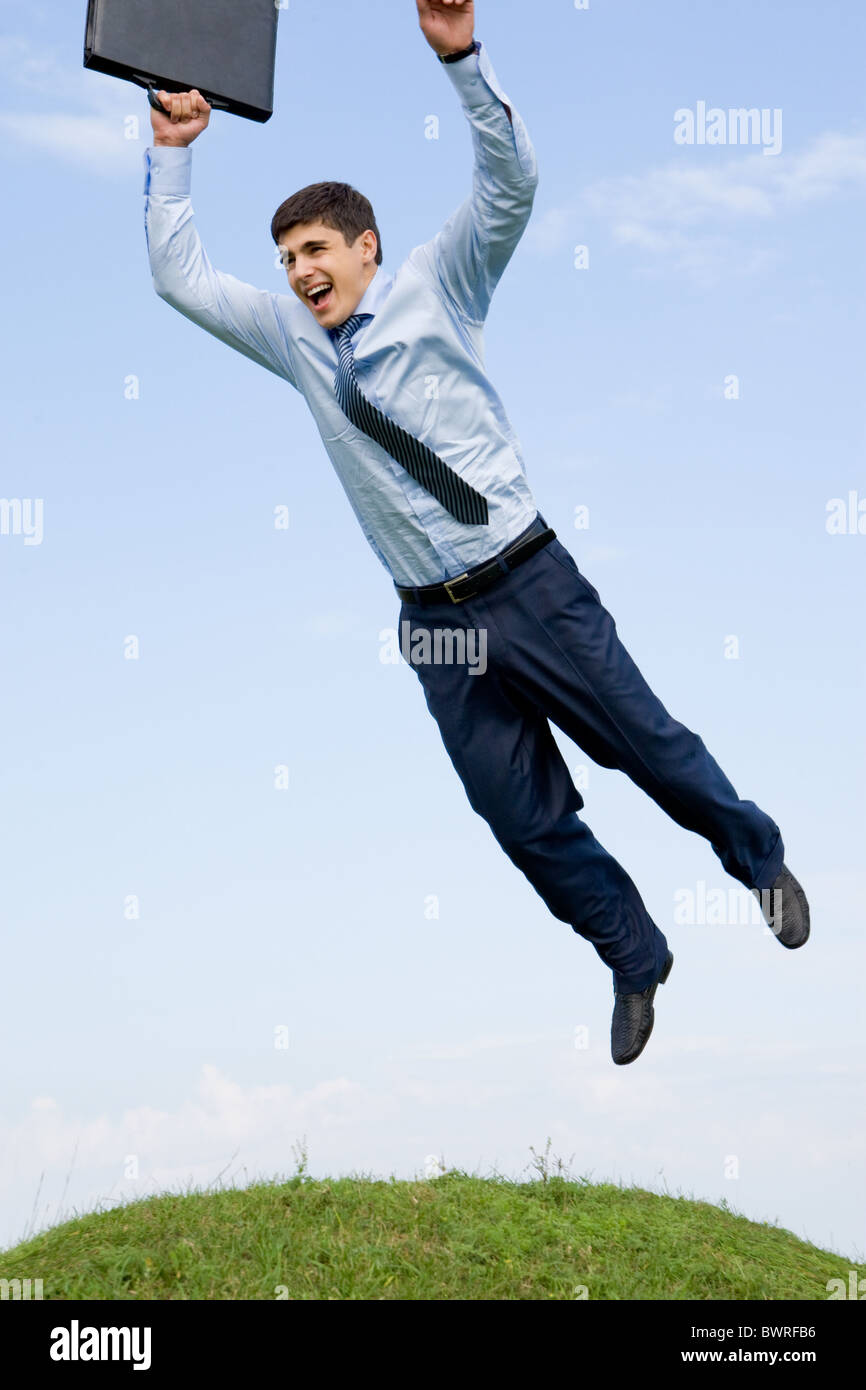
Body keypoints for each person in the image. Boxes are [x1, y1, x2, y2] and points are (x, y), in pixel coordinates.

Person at [142, 0, 809, 1065]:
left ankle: (754, 858)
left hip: (528, 583)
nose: (297, 270)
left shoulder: (440, 285)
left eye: (315, 247)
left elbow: (511, 185)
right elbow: (177, 278)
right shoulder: (287, 337)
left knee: (648, 747)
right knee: (520, 818)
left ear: (365, 248)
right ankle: (634, 956)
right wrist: (170, 154)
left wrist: (458, 57)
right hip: (433, 628)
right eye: (283, 256)